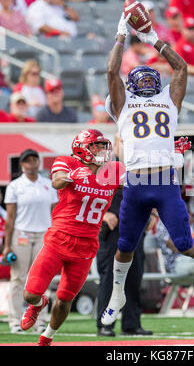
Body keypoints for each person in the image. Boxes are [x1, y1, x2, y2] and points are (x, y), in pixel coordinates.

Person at [100, 13, 194, 327]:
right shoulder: (123, 103)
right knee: (125, 246)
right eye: (139, 78)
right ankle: (117, 294)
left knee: (184, 243)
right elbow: (111, 70)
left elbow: (182, 67)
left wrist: (152, 38)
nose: (144, 81)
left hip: (164, 179)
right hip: (135, 180)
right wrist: (120, 35)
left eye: (148, 78)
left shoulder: (169, 101)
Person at [20, 129, 125, 346]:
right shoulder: (67, 162)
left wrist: (168, 157)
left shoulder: (114, 170)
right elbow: (57, 180)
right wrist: (71, 176)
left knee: (65, 300)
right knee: (30, 294)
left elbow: (139, 179)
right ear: (82, 148)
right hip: (59, 239)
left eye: (103, 146)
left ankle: (47, 336)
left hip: (86, 247)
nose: (102, 150)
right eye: (96, 146)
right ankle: (38, 304)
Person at [97, 132, 152, 337]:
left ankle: (131, 324)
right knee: (109, 279)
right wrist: (103, 215)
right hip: (112, 232)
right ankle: (105, 324)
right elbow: (88, 196)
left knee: (134, 278)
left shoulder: (142, 168)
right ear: (116, 143)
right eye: (124, 141)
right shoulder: (105, 167)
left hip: (136, 230)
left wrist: (152, 213)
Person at [3, 148, 58, 333]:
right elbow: (10, 218)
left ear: (38, 163)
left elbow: (55, 213)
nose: (31, 163)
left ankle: (40, 320)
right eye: (27, 161)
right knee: (18, 278)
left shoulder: (48, 184)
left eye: (34, 160)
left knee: (42, 279)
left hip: (44, 234)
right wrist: (7, 245)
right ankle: (14, 320)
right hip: (22, 234)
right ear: (22, 164)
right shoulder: (15, 186)